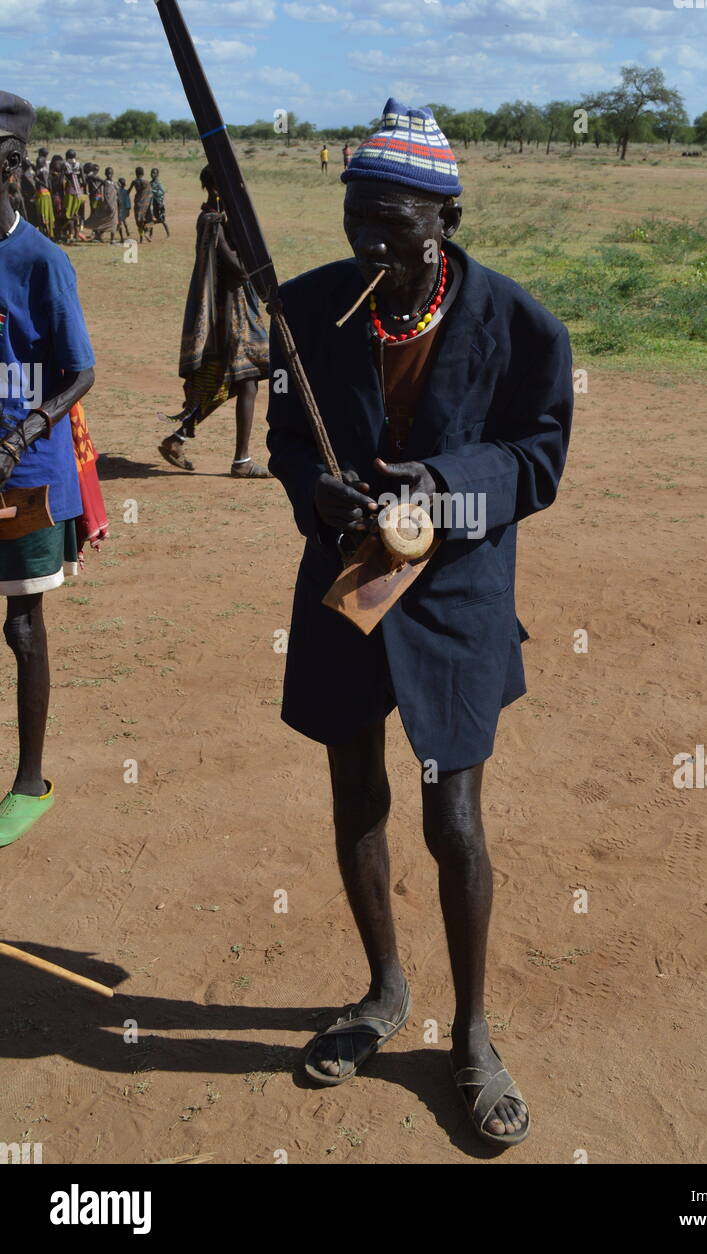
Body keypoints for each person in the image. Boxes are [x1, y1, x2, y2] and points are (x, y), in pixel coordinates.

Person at [266, 98, 573, 1146]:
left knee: (454, 822)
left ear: (444, 216)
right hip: (349, 592)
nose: (369, 246)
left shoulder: (518, 323)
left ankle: (474, 1033)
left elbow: (538, 459)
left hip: (454, 605)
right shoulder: (309, 308)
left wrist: (441, 488)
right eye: (356, 220)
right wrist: (320, 494)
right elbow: (285, 441)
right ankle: (385, 988)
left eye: (391, 226)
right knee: (357, 795)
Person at [0, 93, 97, 847]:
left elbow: (80, 370)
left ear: (9, 167)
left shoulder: (41, 261)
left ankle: (30, 778)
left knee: (23, 626)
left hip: (26, 474)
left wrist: (24, 430)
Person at [158, 166, 270, 478]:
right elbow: (239, 271)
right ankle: (241, 461)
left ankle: (179, 438)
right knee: (247, 380)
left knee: (239, 381)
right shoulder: (212, 221)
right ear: (218, 190)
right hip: (228, 314)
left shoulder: (221, 220)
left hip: (236, 309)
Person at [84, 166, 122, 243]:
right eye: (108, 173)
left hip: (114, 205)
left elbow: (117, 194)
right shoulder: (104, 183)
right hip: (106, 206)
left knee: (114, 222)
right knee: (102, 220)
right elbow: (100, 193)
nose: (109, 174)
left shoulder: (114, 183)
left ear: (113, 173)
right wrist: (97, 202)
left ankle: (112, 239)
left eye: (110, 173)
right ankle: (97, 236)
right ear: (105, 174)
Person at [32, 150, 55, 238]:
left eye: (39, 162)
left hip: (44, 194)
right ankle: (43, 233)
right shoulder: (39, 171)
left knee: (44, 214)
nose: (37, 164)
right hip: (40, 194)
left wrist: (38, 180)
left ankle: (47, 233)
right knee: (41, 214)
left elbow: (46, 184)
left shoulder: (43, 171)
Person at [131, 165, 152, 241]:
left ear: (136, 174)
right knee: (148, 220)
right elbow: (150, 193)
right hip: (145, 204)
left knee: (139, 221)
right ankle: (146, 232)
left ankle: (141, 238)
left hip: (137, 203)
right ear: (143, 173)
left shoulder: (134, 182)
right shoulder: (146, 182)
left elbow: (128, 191)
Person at [148, 167, 169, 237]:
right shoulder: (150, 183)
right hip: (154, 204)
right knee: (152, 219)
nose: (152, 174)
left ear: (157, 174)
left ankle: (168, 234)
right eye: (152, 173)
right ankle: (150, 235)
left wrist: (154, 192)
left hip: (159, 203)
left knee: (162, 220)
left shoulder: (158, 183)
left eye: (154, 173)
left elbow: (163, 191)